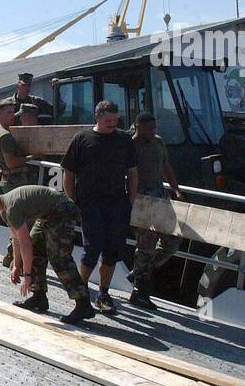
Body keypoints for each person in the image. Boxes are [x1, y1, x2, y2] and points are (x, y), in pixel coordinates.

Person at [0, 185, 95, 324]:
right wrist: (16, 266)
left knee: (59, 257)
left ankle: (83, 304)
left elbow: (25, 244)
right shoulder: (4, 211)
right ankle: (39, 297)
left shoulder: (12, 208)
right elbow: (16, 239)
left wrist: (27, 276)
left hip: (61, 210)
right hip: (46, 215)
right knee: (36, 247)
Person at [61, 100, 137, 314]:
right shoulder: (82, 139)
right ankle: (82, 291)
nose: (113, 124)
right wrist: (73, 201)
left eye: (115, 120)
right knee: (91, 249)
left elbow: (132, 172)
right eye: (108, 121)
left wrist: (130, 201)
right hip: (90, 204)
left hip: (117, 205)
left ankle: (104, 293)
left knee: (112, 251)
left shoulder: (124, 140)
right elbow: (68, 172)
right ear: (97, 118)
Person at [127, 111, 183, 310]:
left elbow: (166, 166)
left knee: (172, 241)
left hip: (160, 195)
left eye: (154, 128)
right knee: (146, 244)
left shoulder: (158, 142)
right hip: (141, 198)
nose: (152, 132)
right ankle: (140, 291)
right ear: (138, 127)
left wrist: (175, 188)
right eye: (149, 128)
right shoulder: (130, 144)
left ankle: (138, 271)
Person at [0, 97, 33, 267]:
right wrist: (30, 158)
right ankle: (18, 261)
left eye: (12, 112)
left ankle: (14, 259)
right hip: (14, 182)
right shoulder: (5, 136)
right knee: (22, 225)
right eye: (9, 112)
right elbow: (11, 162)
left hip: (7, 181)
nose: (12, 116)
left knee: (15, 224)